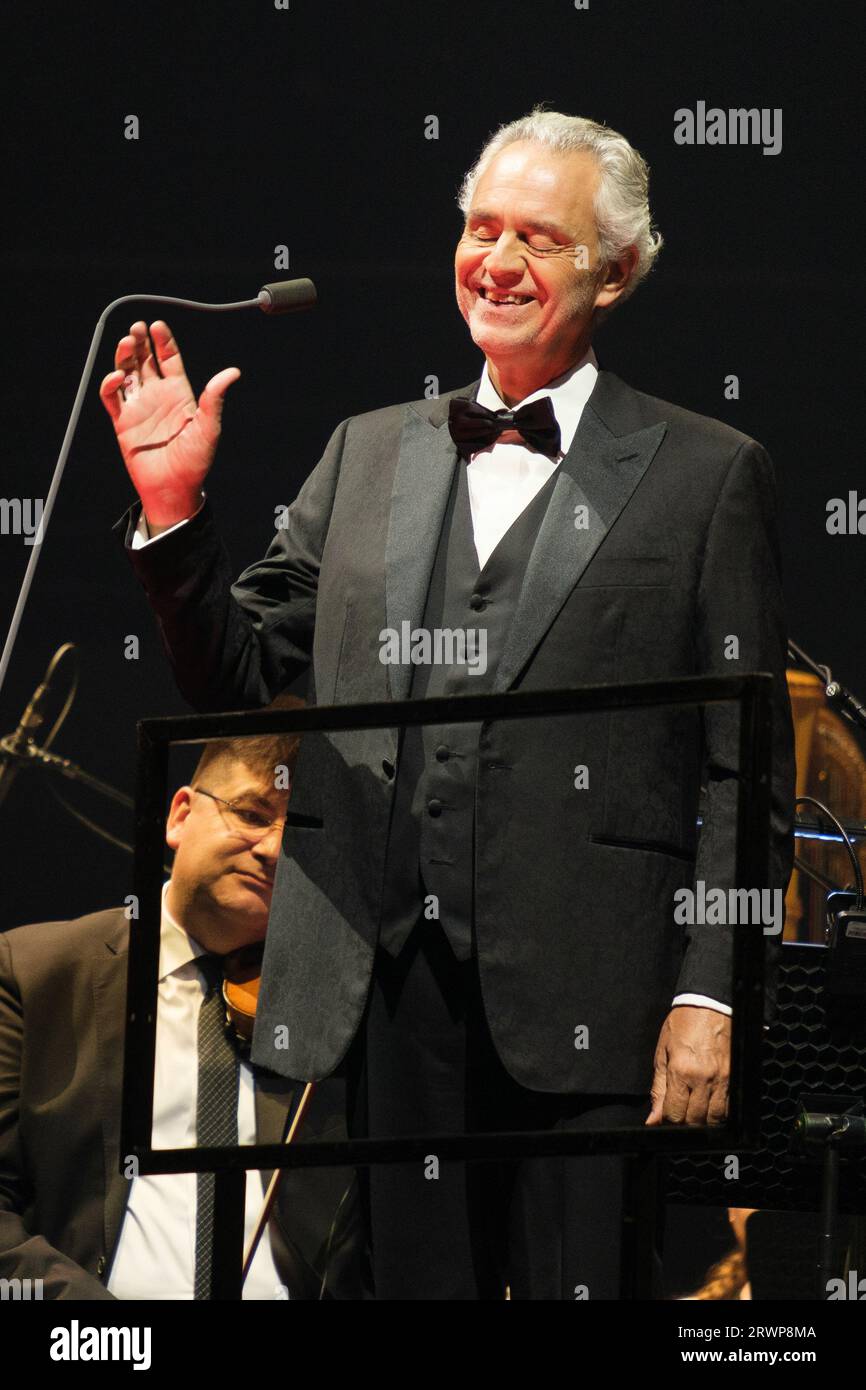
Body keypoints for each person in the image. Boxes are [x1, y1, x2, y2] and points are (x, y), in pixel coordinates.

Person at [102, 107, 795, 1299]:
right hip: (384, 992)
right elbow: (242, 681)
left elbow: (745, 768)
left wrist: (709, 987)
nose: (498, 261)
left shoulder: (704, 472)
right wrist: (175, 520)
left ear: (616, 270)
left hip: (592, 1006)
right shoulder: (366, 451)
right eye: (481, 228)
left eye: (540, 237)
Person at [0, 707, 366, 1299]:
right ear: (180, 814)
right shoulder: (34, 972)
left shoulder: (341, 1009)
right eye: (251, 814)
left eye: (301, 835)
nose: (273, 850)